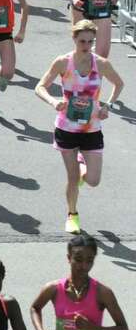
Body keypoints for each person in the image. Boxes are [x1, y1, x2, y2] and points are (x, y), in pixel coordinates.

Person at [34, 20, 124, 234]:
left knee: (93, 181)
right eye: (82, 41)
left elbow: (119, 84)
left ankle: (83, 164)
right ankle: (72, 215)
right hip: (66, 127)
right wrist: (54, 102)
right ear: (74, 39)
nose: (86, 45)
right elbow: (40, 87)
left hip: (91, 128)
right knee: (72, 177)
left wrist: (107, 106)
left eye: (90, 42)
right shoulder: (63, 62)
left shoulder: (101, 64)